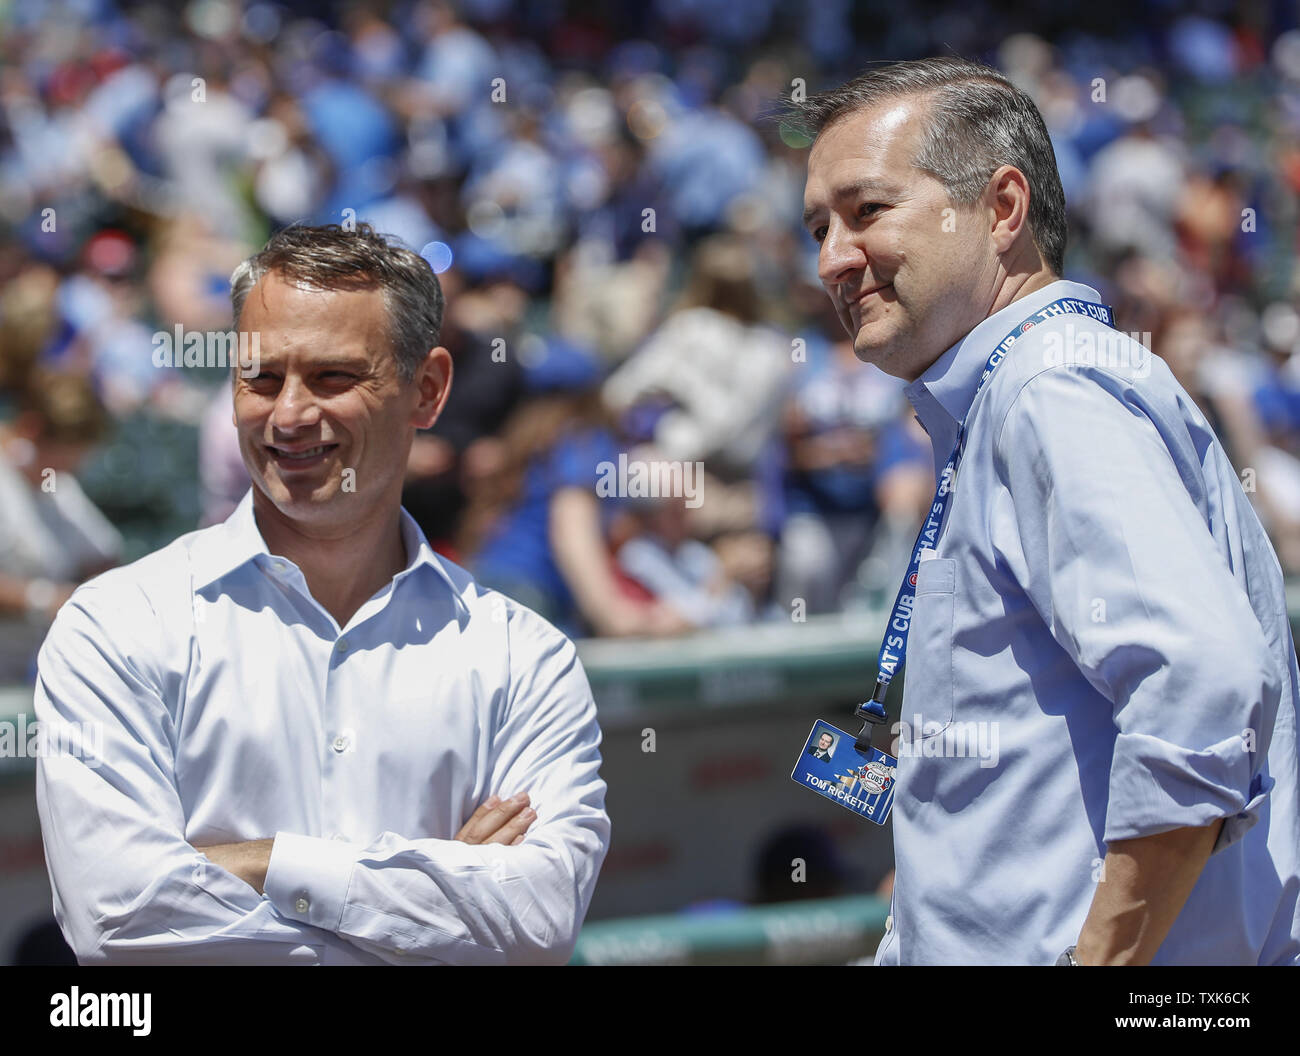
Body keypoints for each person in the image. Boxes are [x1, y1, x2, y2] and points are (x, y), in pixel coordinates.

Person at [792, 57, 1299, 965]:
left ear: (1003, 208)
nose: (833, 256)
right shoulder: (1007, 396)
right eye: (820, 226)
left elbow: (1202, 684)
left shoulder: (1052, 386)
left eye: (868, 211)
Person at [33, 223, 610, 965]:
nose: (290, 415)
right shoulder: (115, 626)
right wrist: (435, 881)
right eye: (262, 378)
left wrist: (262, 862)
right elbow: (119, 920)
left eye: (334, 378)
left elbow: (536, 923)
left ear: (427, 390)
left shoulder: (523, 657)